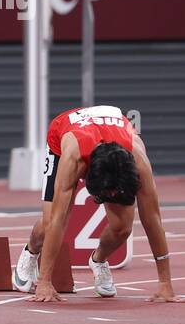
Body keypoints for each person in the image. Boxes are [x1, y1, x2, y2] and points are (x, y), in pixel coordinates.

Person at [13, 105, 178, 303]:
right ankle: (30, 253)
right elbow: (58, 220)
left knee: (122, 228)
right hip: (64, 132)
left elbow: (152, 219)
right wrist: (44, 281)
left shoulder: (138, 160)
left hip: (108, 136)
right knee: (50, 219)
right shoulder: (73, 158)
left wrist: (165, 283)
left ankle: (98, 260)